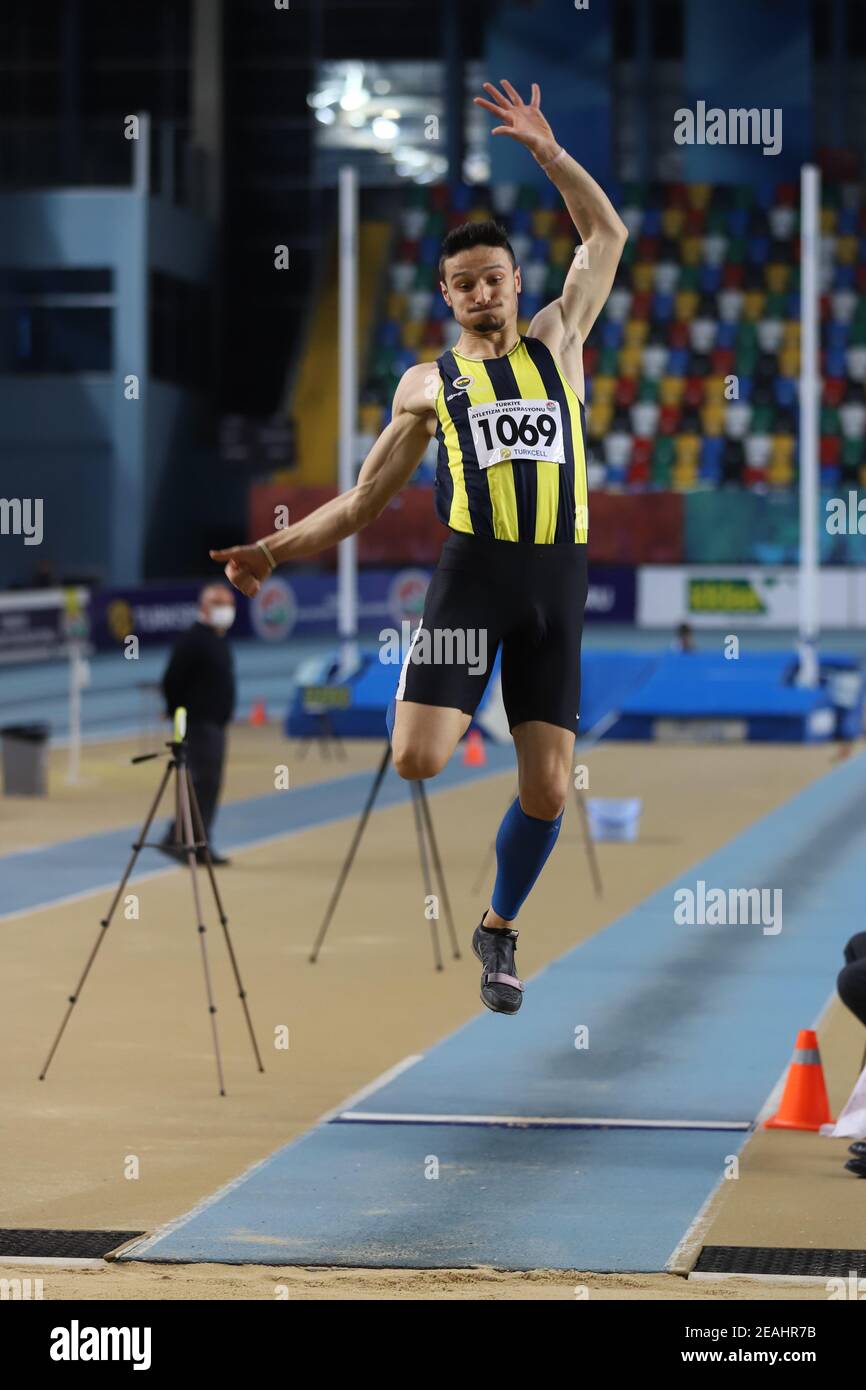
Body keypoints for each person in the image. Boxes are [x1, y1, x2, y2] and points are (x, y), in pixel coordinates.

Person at [211, 79, 627, 1012]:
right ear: (445, 295)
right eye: (464, 283)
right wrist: (270, 555)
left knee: (552, 789)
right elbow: (360, 502)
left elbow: (606, 239)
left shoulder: (561, 342)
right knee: (418, 759)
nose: (482, 293)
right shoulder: (426, 388)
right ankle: (423, 678)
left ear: (517, 282)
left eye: (495, 277)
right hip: (473, 579)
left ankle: (499, 928)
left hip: (556, 581)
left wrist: (550, 155)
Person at [157, 583, 237, 866]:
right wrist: (176, 712)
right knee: (201, 783)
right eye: (219, 604)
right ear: (204, 607)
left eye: (229, 604)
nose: (227, 611)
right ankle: (183, 840)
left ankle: (195, 841)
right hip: (198, 723)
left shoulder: (219, 639)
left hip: (215, 723)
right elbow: (171, 679)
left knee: (209, 784)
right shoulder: (192, 640)